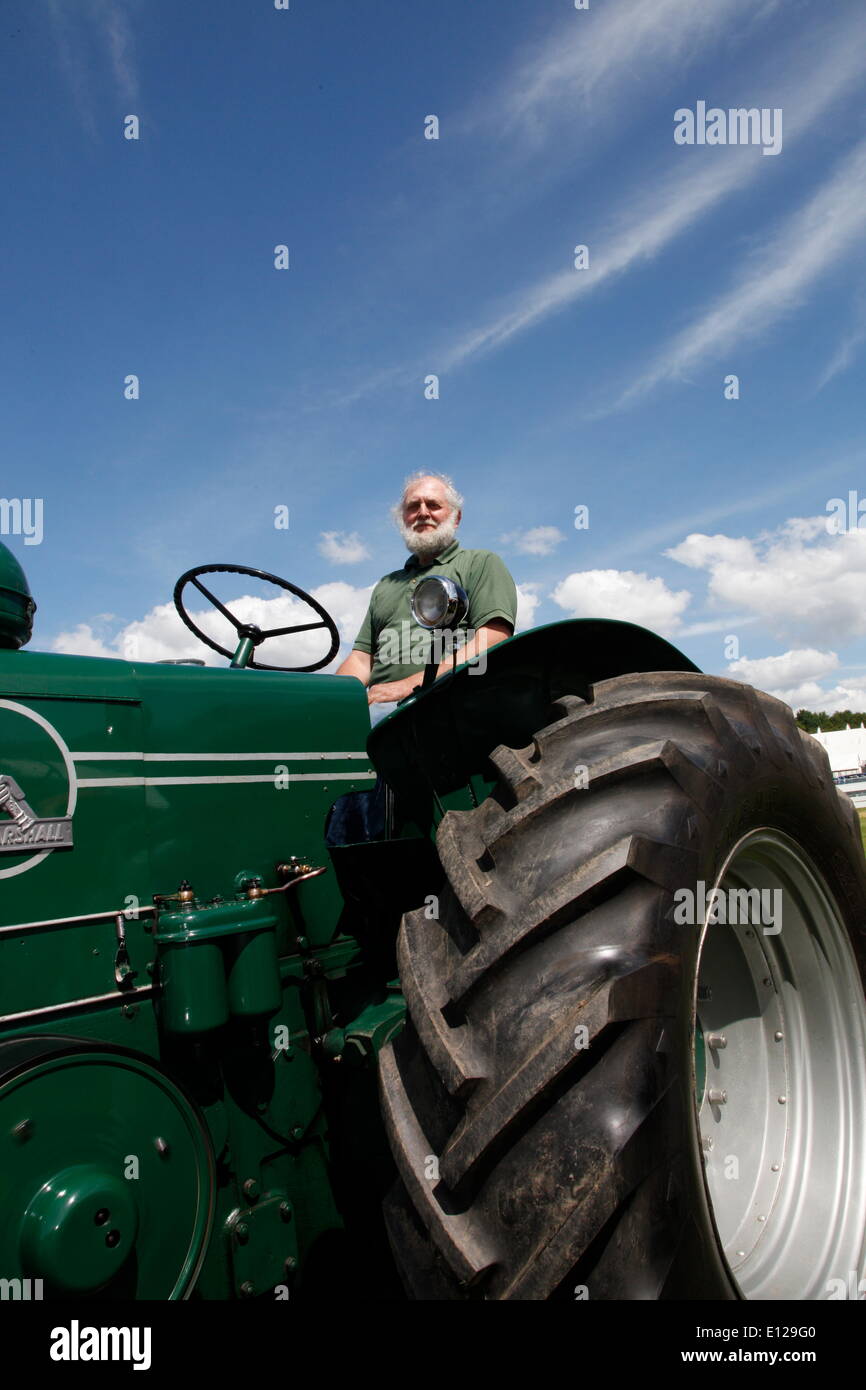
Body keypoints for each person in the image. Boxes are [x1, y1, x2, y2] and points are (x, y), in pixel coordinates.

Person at [336, 472, 517, 718]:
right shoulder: (386, 584)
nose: (422, 512)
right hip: (380, 712)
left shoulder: (480, 563)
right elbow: (361, 658)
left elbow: (493, 636)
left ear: (456, 518)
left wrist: (414, 684)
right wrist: (331, 700)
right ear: (403, 518)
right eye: (413, 506)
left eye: (433, 505)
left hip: (452, 702)